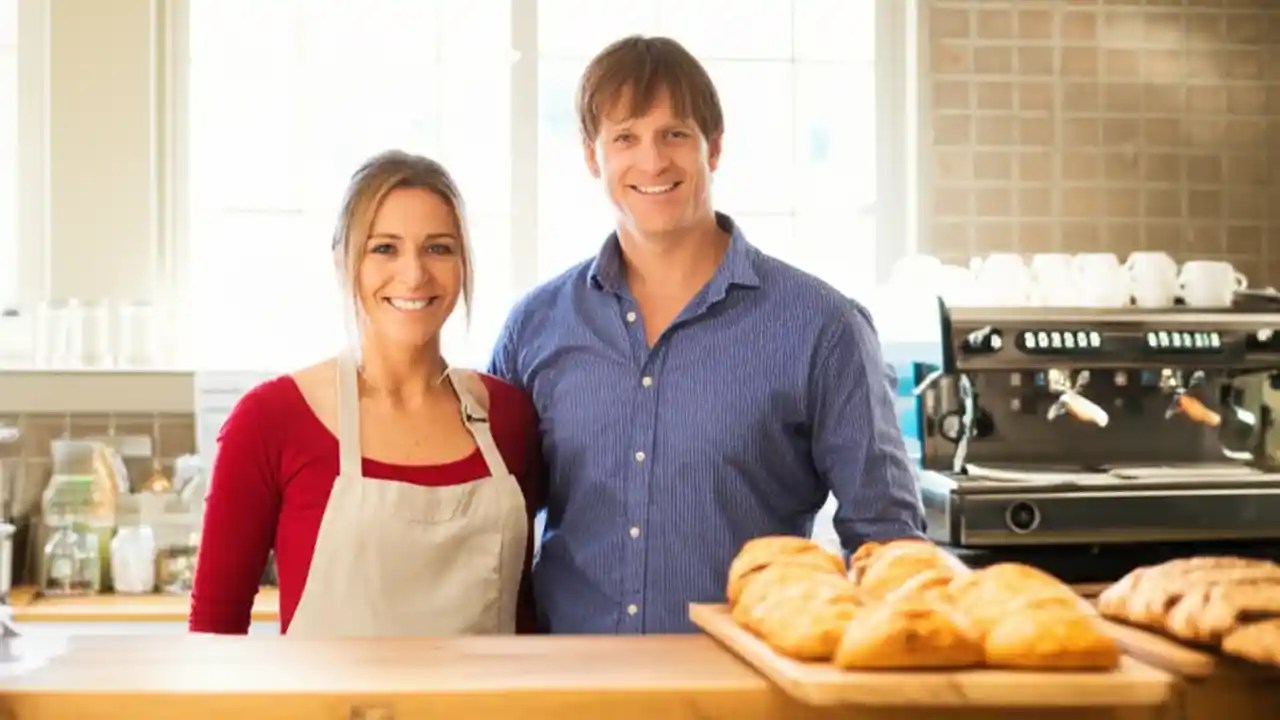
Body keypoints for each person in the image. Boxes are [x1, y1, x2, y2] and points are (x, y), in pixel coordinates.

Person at [487, 36, 926, 634]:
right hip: (571, 683)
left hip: (745, 685)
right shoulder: (534, 328)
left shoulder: (822, 327)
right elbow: (493, 529)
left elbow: (889, 541)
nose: (652, 162)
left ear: (713, 147)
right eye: (625, 138)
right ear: (593, 157)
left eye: (674, 134)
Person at [190, 150, 543, 636]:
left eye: (438, 248)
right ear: (343, 262)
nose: (414, 274)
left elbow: (522, 611)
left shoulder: (508, 417)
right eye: (384, 248)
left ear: (463, 264)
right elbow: (214, 628)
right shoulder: (271, 420)